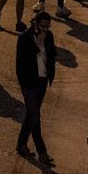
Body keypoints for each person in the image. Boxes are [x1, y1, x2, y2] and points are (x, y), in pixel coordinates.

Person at [15, 11, 56, 165]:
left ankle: (21, 143)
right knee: (35, 117)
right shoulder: (24, 39)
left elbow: (52, 55)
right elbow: (20, 63)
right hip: (29, 83)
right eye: (42, 26)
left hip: (42, 80)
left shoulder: (49, 36)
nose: (45, 30)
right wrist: (38, 45)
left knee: (32, 114)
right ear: (36, 24)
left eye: (47, 27)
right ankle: (42, 152)